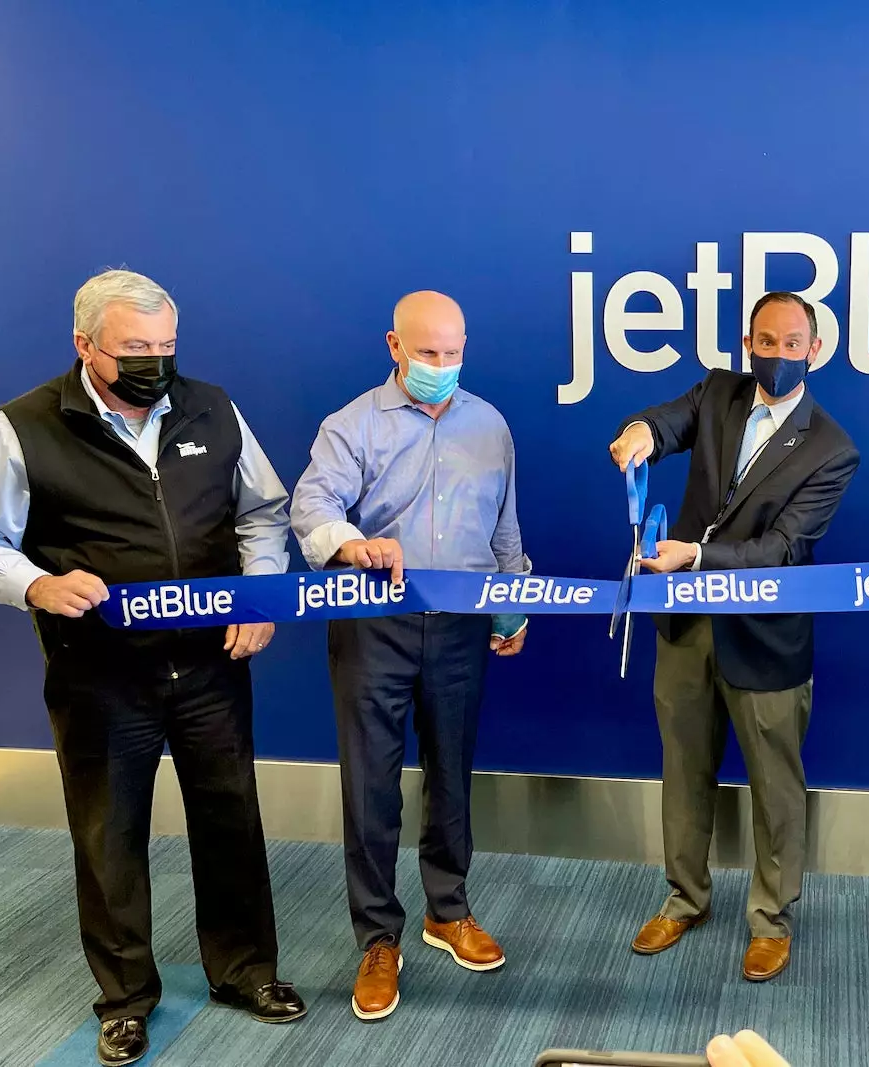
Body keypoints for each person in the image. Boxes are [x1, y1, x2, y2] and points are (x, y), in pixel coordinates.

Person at [0, 270, 307, 1065]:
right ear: (85, 345)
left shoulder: (214, 408)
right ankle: (125, 998)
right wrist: (36, 582)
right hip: (99, 672)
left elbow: (263, 513)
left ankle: (245, 970)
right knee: (109, 836)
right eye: (135, 348)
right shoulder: (27, 426)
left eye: (167, 345)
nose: (155, 360)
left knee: (231, 818)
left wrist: (258, 594)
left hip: (210, 663)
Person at [291, 290, 529, 1022]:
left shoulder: (489, 425)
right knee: (372, 782)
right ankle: (377, 937)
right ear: (393, 346)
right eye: (428, 353)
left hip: (459, 624)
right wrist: (352, 545)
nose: (442, 366)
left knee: (453, 772)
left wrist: (511, 602)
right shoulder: (351, 425)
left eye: (454, 353)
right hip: (373, 622)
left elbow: (504, 525)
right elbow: (310, 507)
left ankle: (447, 910)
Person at [608, 291, 859, 982]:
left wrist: (693, 555)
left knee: (775, 785)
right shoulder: (717, 393)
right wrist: (639, 435)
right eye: (764, 341)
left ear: (815, 349)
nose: (776, 354)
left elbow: (782, 548)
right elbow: (664, 422)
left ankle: (771, 918)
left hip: (766, 638)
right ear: (747, 342)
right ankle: (684, 898)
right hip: (687, 629)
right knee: (683, 766)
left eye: (790, 342)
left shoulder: (832, 449)